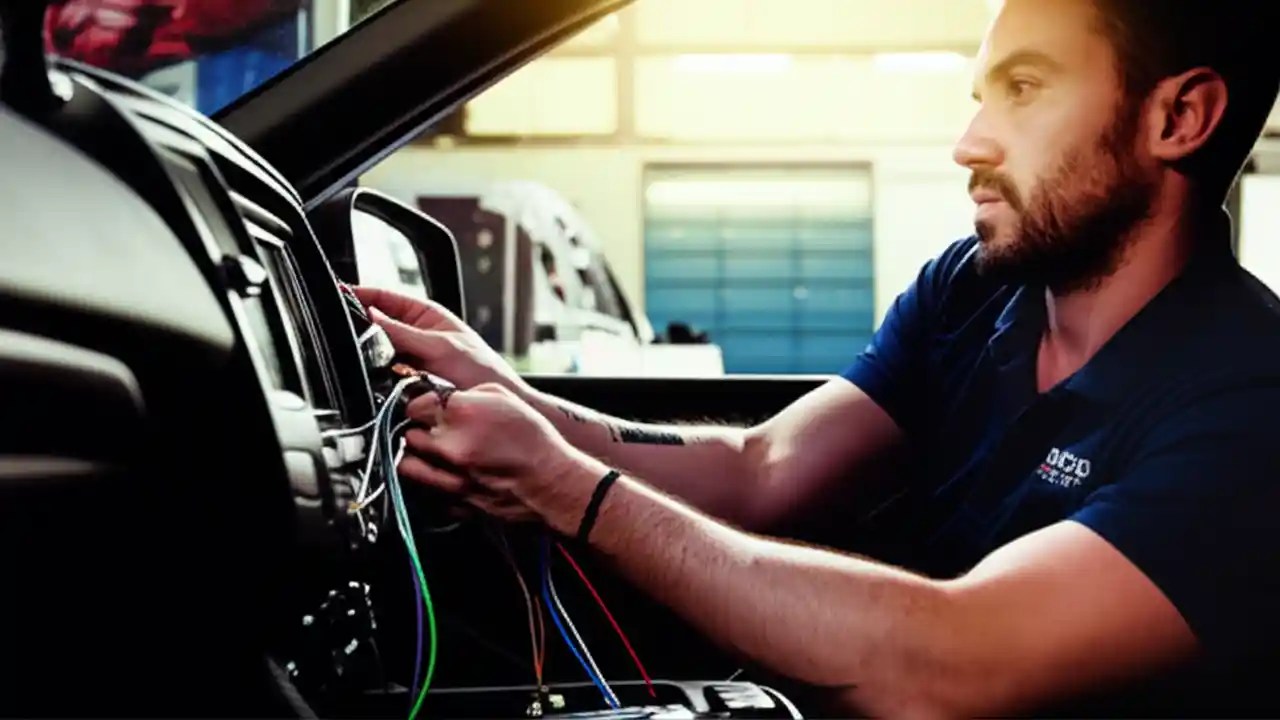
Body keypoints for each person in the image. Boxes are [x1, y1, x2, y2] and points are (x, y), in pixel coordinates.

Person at [357, 0, 1280, 715]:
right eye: (981, 98)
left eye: (1026, 88)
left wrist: (569, 490)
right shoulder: (975, 288)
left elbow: (947, 666)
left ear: (1181, 117)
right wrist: (510, 397)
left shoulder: (1251, 409)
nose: (969, 144)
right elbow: (764, 469)